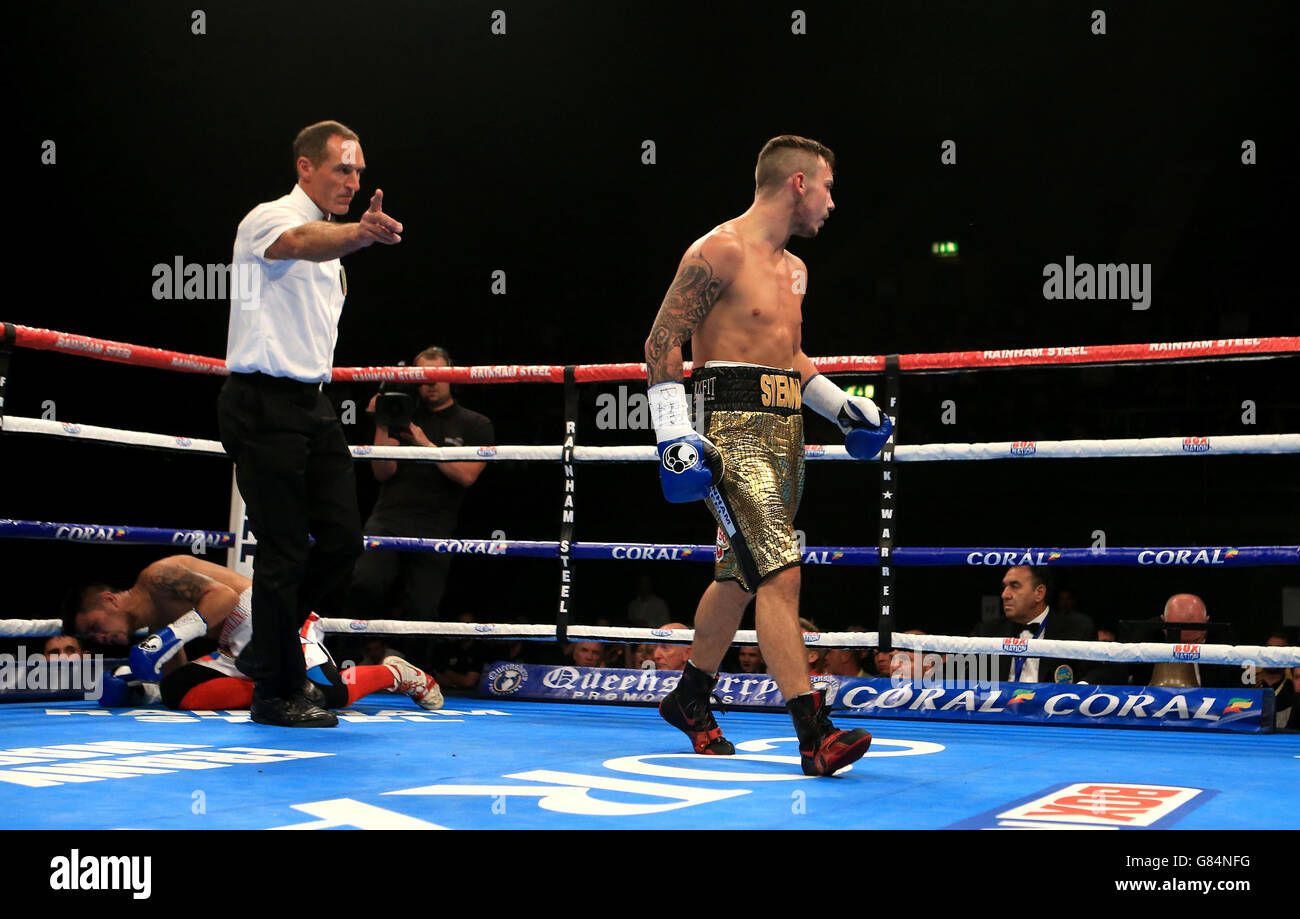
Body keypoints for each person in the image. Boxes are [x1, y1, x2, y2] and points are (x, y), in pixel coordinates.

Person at [643, 135, 889, 776]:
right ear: (798, 183)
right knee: (781, 573)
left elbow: (790, 359)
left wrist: (842, 408)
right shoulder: (719, 249)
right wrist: (671, 433)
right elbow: (661, 342)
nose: (833, 203)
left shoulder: (795, 270)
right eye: (829, 187)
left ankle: (691, 697)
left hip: (786, 435)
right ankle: (814, 733)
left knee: (738, 574)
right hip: (728, 430)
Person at [218, 120, 404, 726]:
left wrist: (349, 237)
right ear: (306, 167)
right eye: (341, 169)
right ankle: (275, 691)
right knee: (284, 549)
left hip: (311, 404)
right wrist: (358, 235)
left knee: (344, 540)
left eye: (358, 171)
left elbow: (320, 247)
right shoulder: (268, 219)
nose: (353, 180)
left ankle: (268, 653)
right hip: (261, 401)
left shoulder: (335, 245)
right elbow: (298, 242)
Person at [62, 555, 441, 713]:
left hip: (276, 622)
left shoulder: (157, 577)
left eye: (95, 626)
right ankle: (275, 689)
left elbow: (224, 598)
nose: (102, 637)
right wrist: (144, 690)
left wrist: (162, 640)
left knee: (327, 696)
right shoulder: (154, 620)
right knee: (179, 692)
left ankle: (395, 673)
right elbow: (176, 668)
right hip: (237, 651)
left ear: (110, 600)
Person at [344, 345, 494, 667]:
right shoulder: (402, 413)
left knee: (423, 607)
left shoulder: (475, 424)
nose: (431, 383)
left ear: (451, 376)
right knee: (365, 584)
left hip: (434, 527)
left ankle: (416, 674)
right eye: (424, 377)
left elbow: (467, 476)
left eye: (437, 376)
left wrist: (424, 444)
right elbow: (382, 471)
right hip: (389, 519)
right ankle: (347, 661)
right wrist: (384, 421)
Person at [971, 566, 1094, 683]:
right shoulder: (987, 631)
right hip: (1001, 703)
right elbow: (963, 673)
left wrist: (1080, 690)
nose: (1004, 595)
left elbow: (1100, 671)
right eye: (1005, 587)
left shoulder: (1077, 628)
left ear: (1039, 593)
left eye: (1014, 586)